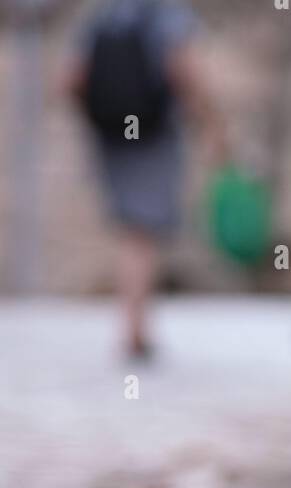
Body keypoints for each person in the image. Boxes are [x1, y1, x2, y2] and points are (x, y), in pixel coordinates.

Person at [65, 0, 226, 358]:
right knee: (143, 230)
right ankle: (136, 327)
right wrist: (210, 124)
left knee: (130, 227)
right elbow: (182, 68)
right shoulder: (163, 11)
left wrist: (100, 116)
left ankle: (132, 322)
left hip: (112, 137)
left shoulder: (101, 13)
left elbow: (73, 77)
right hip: (153, 134)